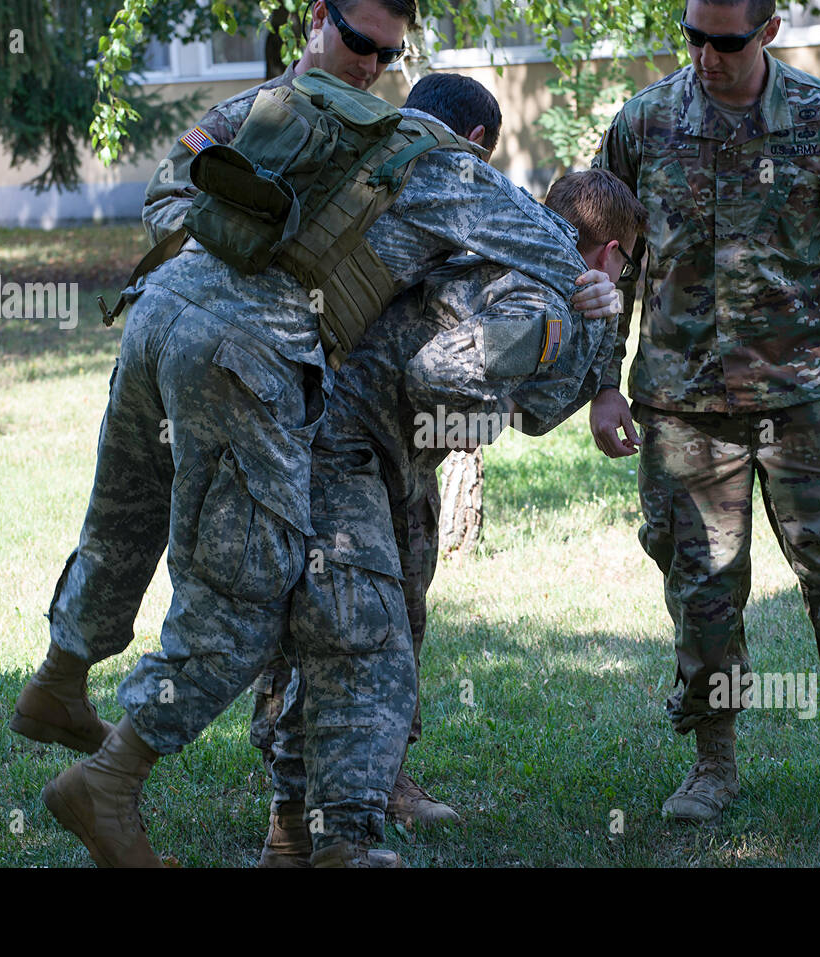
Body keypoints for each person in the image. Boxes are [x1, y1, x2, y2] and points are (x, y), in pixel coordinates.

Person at [12, 72, 618, 867]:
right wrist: (574, 326)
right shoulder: (480, 217)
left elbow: (173, 188)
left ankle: (83, 692)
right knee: (296, 619)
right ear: (471, 151)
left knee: (136, 525)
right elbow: (448, 377)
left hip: (167, 312)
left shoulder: (307, 124)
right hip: (295, 409)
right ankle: (135, 779)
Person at [589, 0, 820, 823]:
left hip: (809, 403)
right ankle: (712, 765)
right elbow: (606, 262)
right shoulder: (644, 123)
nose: (705, 56)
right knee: (703, 591)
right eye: (692, 38)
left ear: (770, 30)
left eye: (725, 40)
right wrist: (603, 379)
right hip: (684, 410)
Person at [260, 168, 646, 866]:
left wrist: (590, 327)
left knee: (358, 634)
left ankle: (295, 833)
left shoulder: (525, 263)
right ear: (611, 252)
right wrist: (487, 408)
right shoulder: (542, 290)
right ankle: (338, 839)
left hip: (363, 450)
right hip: (341, 448)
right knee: (368, 643)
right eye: (628, 263)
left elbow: (537, 399)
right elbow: (441, 375)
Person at [243, 70, 505, 829]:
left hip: (337, 434)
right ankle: (329, 786)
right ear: (478, 142)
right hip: (356, 440)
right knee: (367, 611)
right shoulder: (446, 196)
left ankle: (343, 770)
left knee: (335, 602)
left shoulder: (349, 170)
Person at [143, 0, 418, 245]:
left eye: (387, 56)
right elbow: (163, 203)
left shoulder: (392, 142)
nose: (370, 67)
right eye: (359, 43)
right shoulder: (241, 117)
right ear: (320, 16)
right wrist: (231, 238)